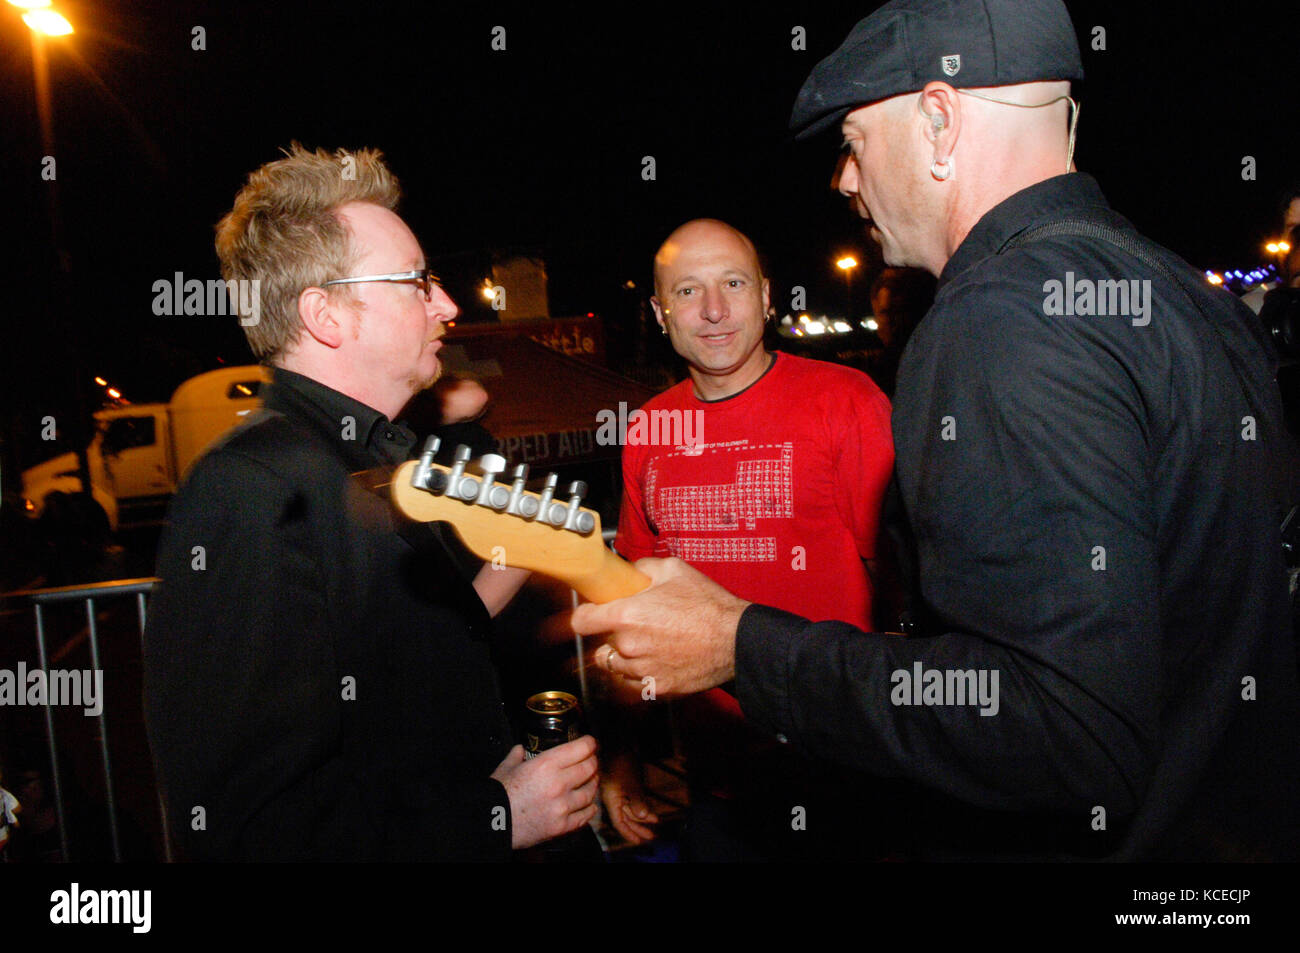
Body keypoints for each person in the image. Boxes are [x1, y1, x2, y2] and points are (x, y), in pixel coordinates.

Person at [575, 0, 1300, 860]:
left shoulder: (1000, 317)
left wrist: (742, 644)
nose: (844, 179)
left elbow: (1064, 733)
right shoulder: (1187, 294)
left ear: (939, 119)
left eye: (855, 140)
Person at [143, 145, 598, 861]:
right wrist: (500, 814)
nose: (447, 305)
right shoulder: (249, 489)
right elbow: (251, 832)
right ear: (326, 314)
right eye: (417, 282)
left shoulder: (378, 456)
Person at [599, 219, 894, 858]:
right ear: (659, 311)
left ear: (766, 297)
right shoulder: (649, 428)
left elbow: (904, 600)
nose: (712, 310)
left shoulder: (846, 401)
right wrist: (620, 760)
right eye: (686, 291)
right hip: (718, 788)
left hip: (845, 775)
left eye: (733, 283)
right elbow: (633, 612)